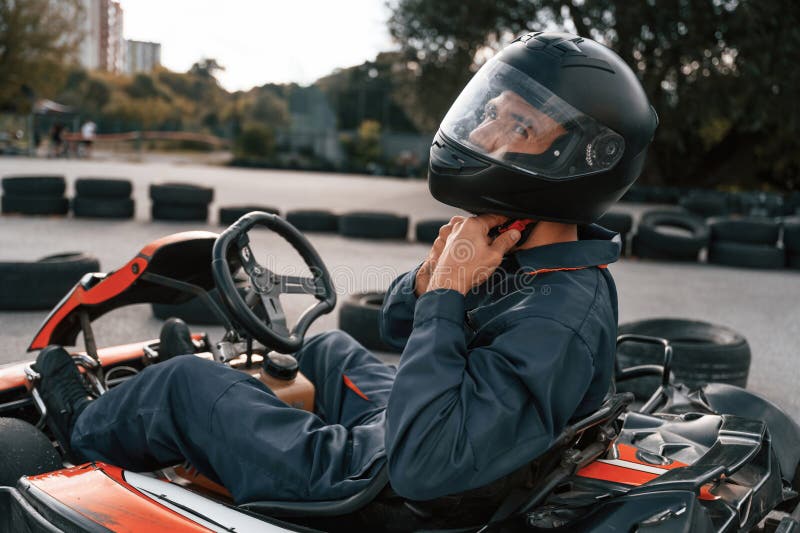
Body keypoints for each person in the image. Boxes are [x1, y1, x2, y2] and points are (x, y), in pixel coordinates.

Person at [32, 32, 657, 526]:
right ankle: (184, 411)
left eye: (517, 127)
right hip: (426, 429)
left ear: (576, 158)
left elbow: (426, 467)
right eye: (491, 114)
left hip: (387, 493)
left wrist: (445, 295)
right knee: (328, 348)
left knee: (184, 385)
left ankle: (82, 423)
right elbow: (394, 322)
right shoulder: (531, 258)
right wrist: (440, 277)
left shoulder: (554, 320)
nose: (485, 135)